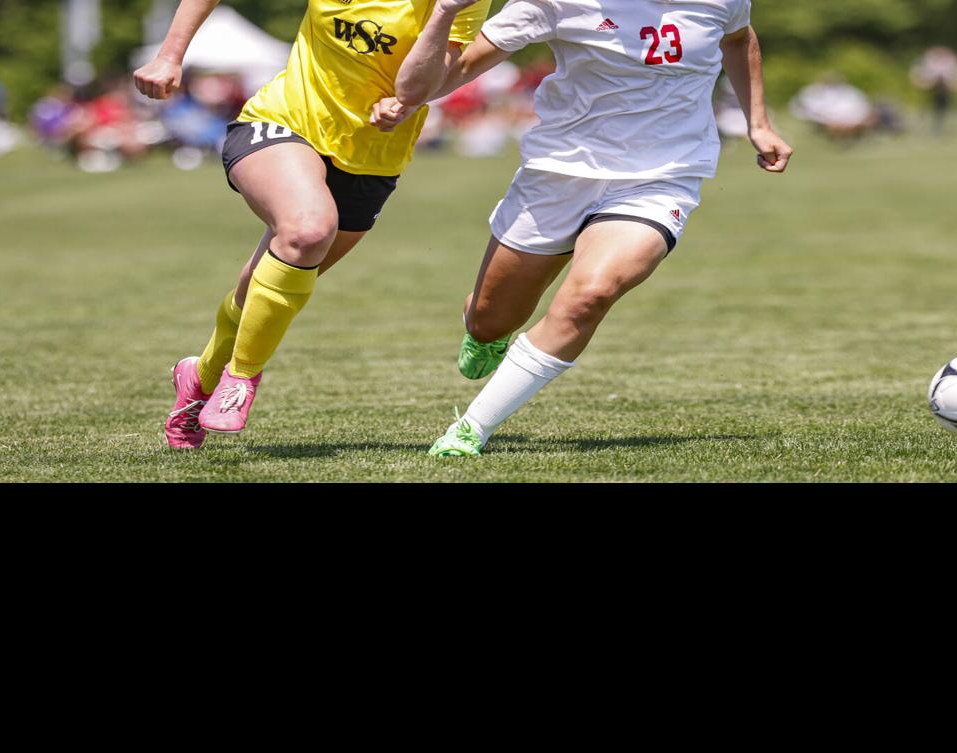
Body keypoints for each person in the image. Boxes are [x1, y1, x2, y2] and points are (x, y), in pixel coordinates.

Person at [368, 0, 791, 457]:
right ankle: (485, 334)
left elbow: (737, 37)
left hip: (663, 177)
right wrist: (411, 97)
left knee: (591, 294)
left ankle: (470, 429)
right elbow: (464, 64)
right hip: (557, 174)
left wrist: (759, 122)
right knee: (489, 318)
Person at [139, 0, 491, 448]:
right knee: (308, 230)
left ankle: (199, 376)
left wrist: (432, 37)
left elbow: (430, 80)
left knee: (260, 288)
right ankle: (241, 378)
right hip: (283, 121)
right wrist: (171, 54)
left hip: (372, 157)